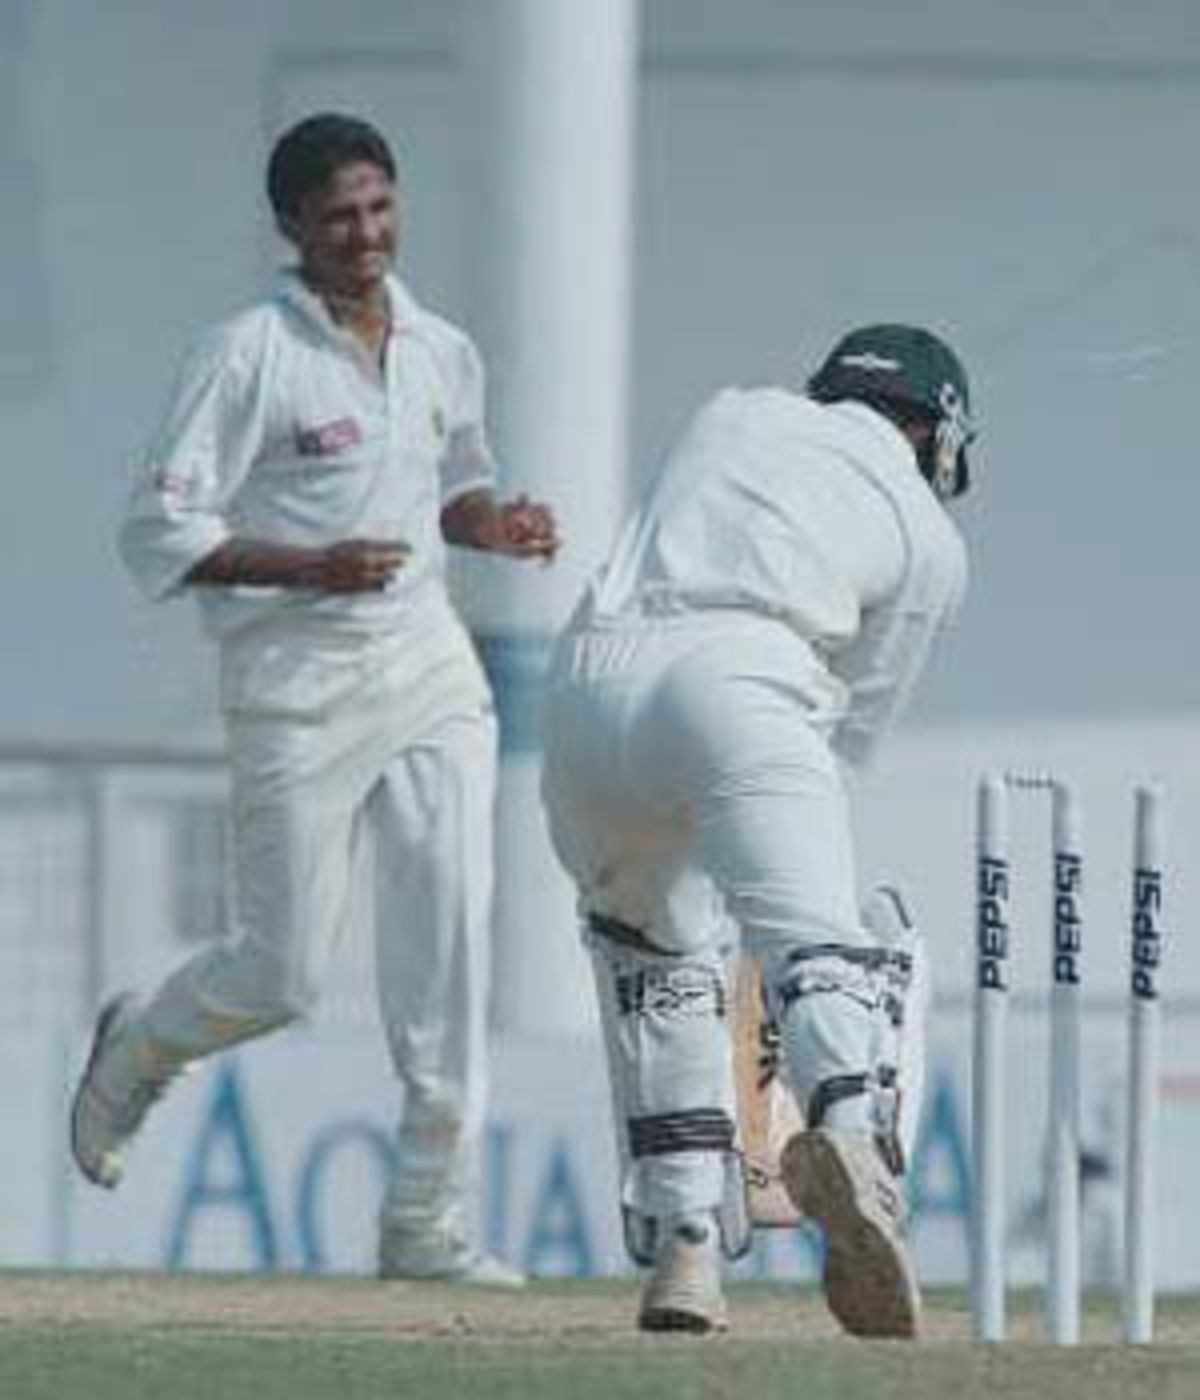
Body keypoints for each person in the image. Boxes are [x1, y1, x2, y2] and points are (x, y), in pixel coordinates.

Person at [70, 112, 560, 1285]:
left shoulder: (440, 345)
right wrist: (309, 565)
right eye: (340, 214)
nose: (366, 233)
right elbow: (159, 526)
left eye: (381, 206)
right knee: (281, 973)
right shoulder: (246, 353)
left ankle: (427, 1224)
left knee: (447, 928)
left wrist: (491, 523)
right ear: (291, 225)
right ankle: (139, 1047)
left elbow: (447, 484)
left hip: (428, 662)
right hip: (291, 679)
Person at [540, 324, 973, 1335]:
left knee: (653, 957)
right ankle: (854, 1136)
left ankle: (687, 1240)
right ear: (942, 433)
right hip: (740, 675)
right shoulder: (929, 537)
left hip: (589, 682)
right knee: (816, 941)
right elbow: (843, 729)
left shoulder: (732, 411)